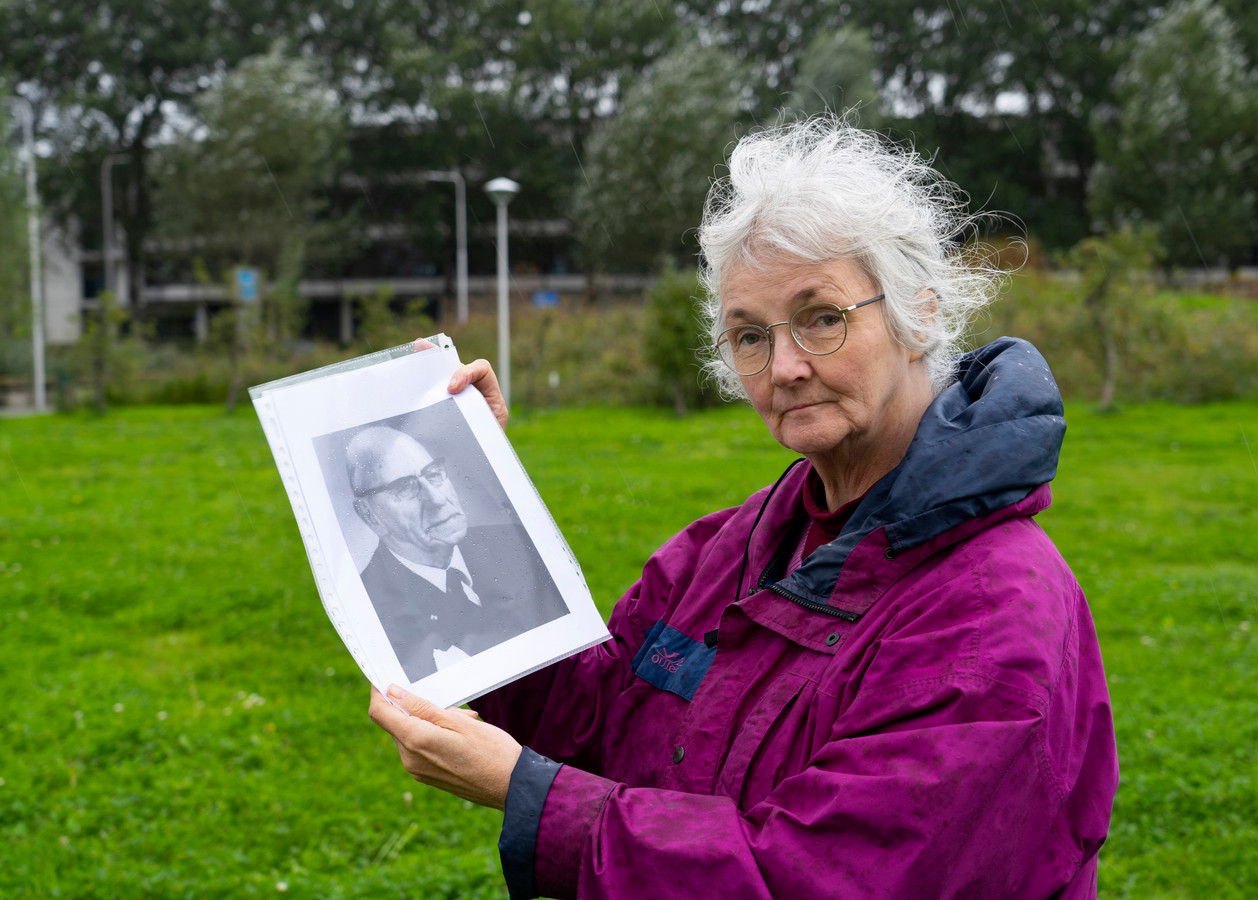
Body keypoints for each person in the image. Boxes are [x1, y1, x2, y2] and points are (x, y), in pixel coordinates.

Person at [368, 116, 1118, 898]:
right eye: (751, 336)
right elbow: (592, 716)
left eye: (822, 318)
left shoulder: (994, 612)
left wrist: (531, 795)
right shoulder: (729, 547)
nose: (784, 367)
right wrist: (471, 484)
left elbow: (816, 878)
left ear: (918, 313)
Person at [347, 425, 567, 681]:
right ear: (369, 515)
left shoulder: (515, 545)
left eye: (433, 474)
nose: (438, 499)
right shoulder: (370, 606)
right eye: (405, 488)